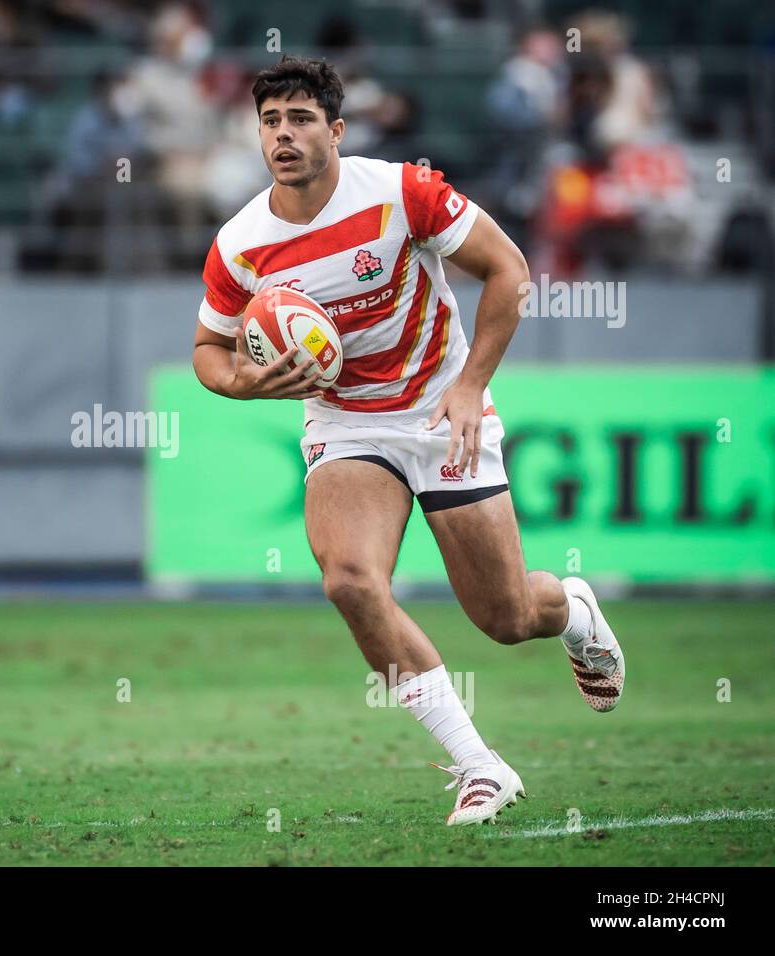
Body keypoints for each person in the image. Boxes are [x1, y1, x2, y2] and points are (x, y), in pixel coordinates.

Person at [190, 56, 626, 826]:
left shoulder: (400, 192)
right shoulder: (241, 244)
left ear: (337, 129)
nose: (283, 136)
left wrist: (469, 388)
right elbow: (208, 351)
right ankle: (479, 765)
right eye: (269, 122)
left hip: (437, 408)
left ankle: (577, 612)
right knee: (352, 583)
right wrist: (243, 384)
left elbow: (509, 271)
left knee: (506, 617)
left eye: (299, 119)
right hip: (346, 423)